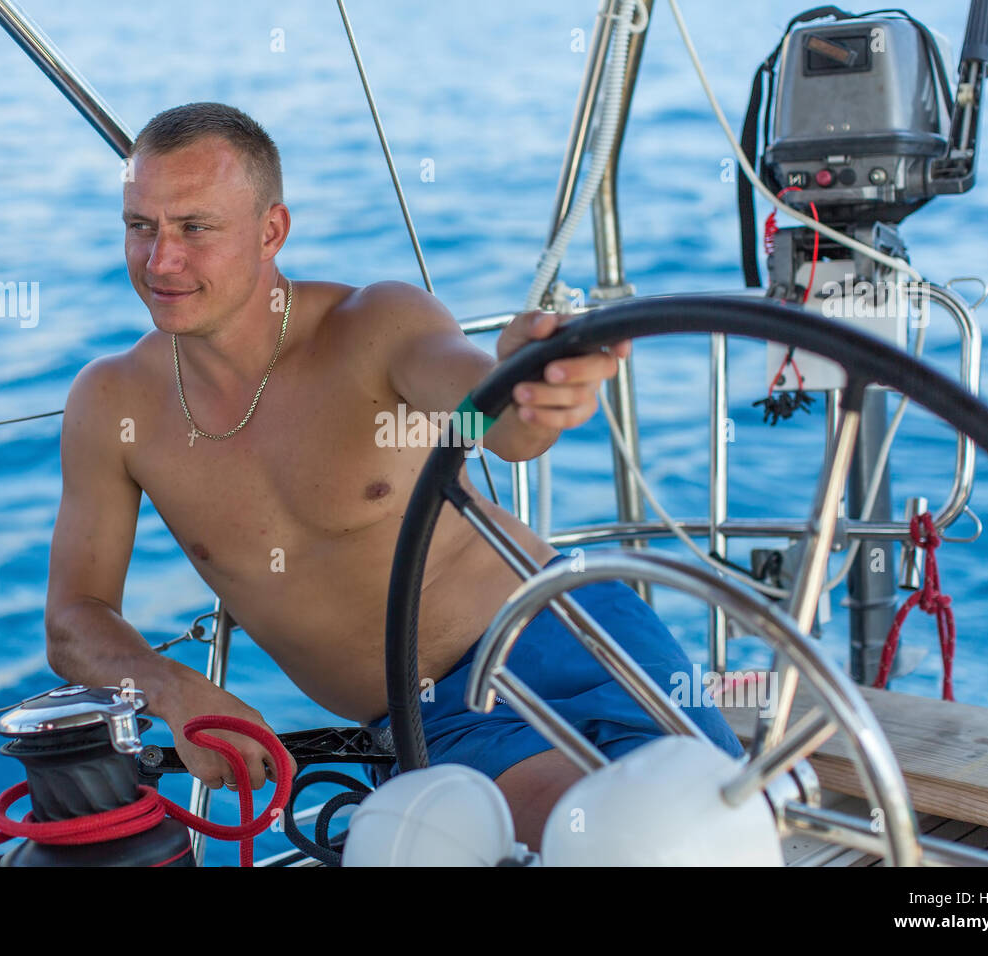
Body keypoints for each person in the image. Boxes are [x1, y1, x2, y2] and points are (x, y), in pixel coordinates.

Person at [45, 102, 743, 853]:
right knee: (624, 844)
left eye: (195, 228)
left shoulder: (375, 327)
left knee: (716, 829)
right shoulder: (114, 405)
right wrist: (175, 689)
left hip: (574, 630)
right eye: (140, 226)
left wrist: (533, 388)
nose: (160, 261)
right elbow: (74, 617)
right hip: (430, 714)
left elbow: (490, 426)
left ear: (271, 231)